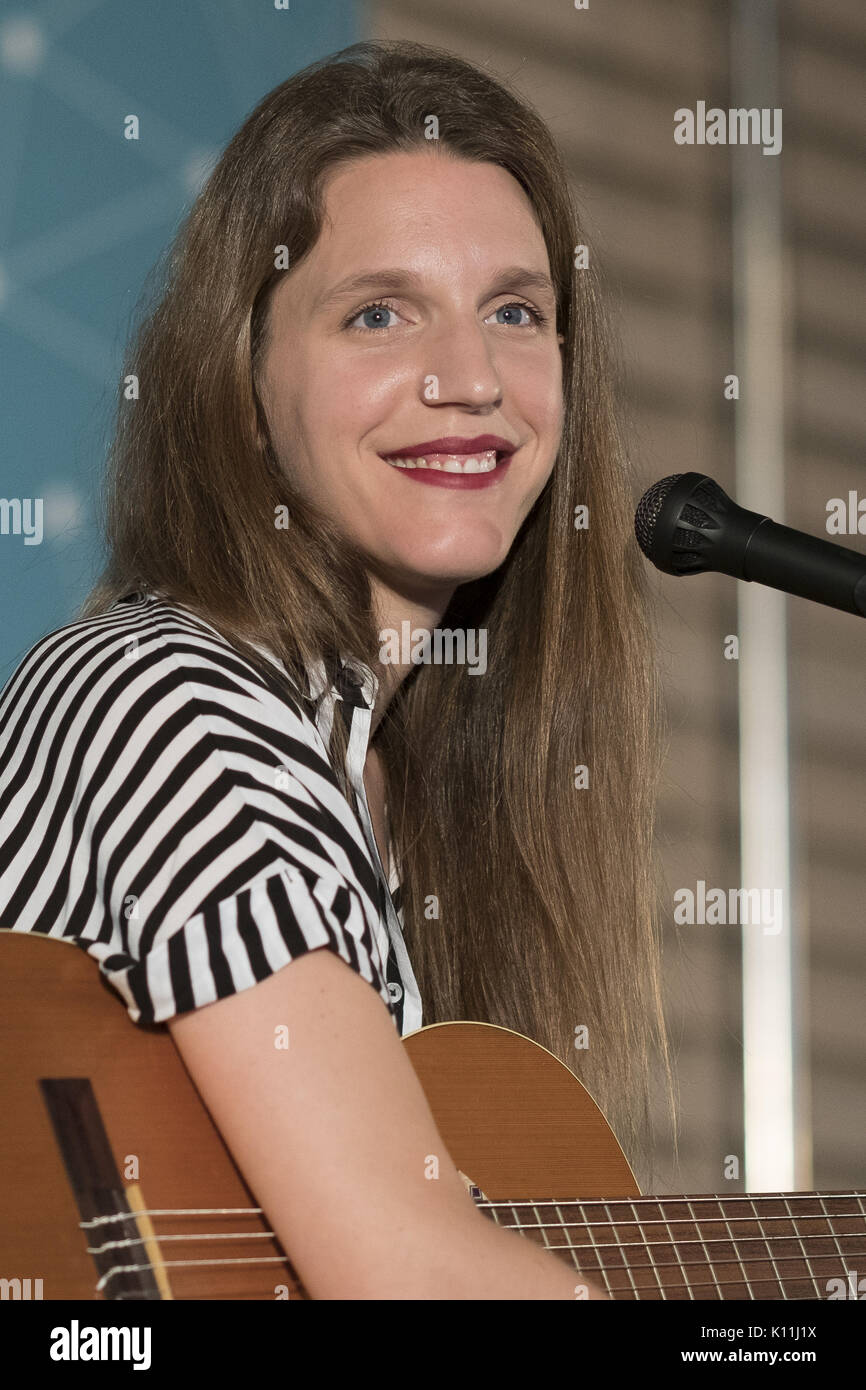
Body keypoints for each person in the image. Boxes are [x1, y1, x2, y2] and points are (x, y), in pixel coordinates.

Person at [0, 39, 672, 1299]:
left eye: (515, 312)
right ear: (243, 383)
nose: (469, 379)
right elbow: (404, 1273)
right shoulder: (167, 694)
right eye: (379, 312)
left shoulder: (389, 790)